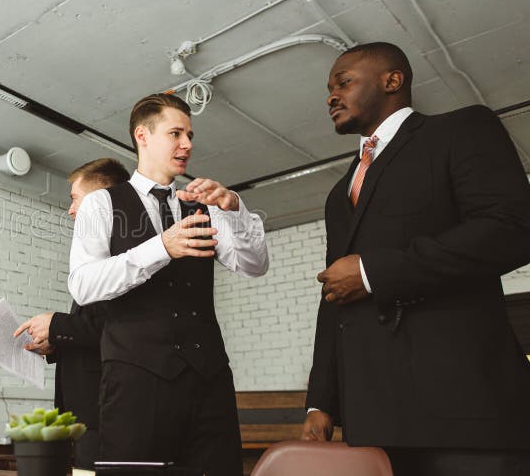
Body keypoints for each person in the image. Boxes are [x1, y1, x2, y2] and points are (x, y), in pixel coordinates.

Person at [302, 42, 530, 475]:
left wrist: (374, 272)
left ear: (393, 80)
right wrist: (321, 401)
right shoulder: (339, 193)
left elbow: (511, 228)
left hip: (462, 410)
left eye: (343, 82)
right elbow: (334, 294)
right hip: (373, 420)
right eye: (329, 88)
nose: (331, 95)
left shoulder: (461, 129)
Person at [68, 93, 269, 475]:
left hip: (209, 382)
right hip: (135, 384)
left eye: (190, 134)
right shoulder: (101, 205)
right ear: (142, 136)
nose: (188, 144)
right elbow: (83, 285)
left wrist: (236, 211)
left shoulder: (204, 204)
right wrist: (161, 247)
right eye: (176, 133)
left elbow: (254, 265)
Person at [14, 158, 130, 469]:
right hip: (83, 409)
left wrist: (57, 324)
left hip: (107, 407)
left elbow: (125, 329)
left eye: (75, 198)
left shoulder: (130, 256)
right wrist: (55, 341)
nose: (70, 210)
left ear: (102, 197)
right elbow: (95, 328)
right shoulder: (98, 251)